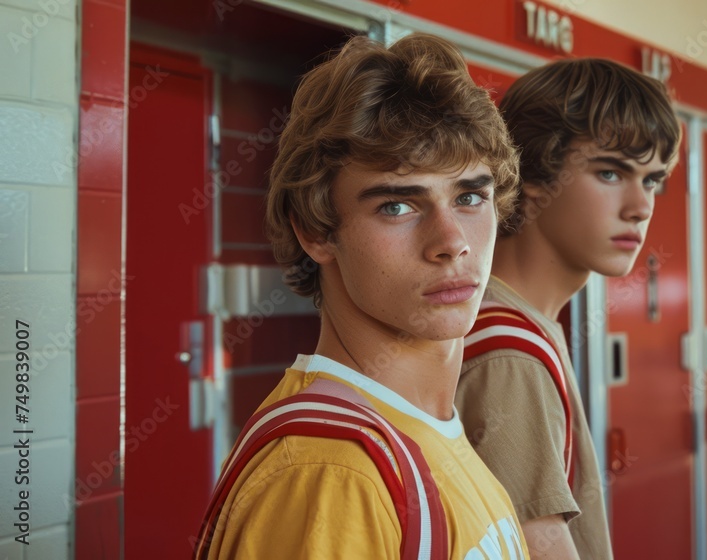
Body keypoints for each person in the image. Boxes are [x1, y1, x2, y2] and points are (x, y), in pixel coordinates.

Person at [194, 33, 529, 559]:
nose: (452, 242)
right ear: (315, 231)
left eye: (469, 196)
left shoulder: (414, 430)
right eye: (397, 206)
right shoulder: (332, 475)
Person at [455, 58, 681, 559]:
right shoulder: (509, 354)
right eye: (610, 172)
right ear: (533, 173)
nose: (640, 206)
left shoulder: (522, 324)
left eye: (651, 180)